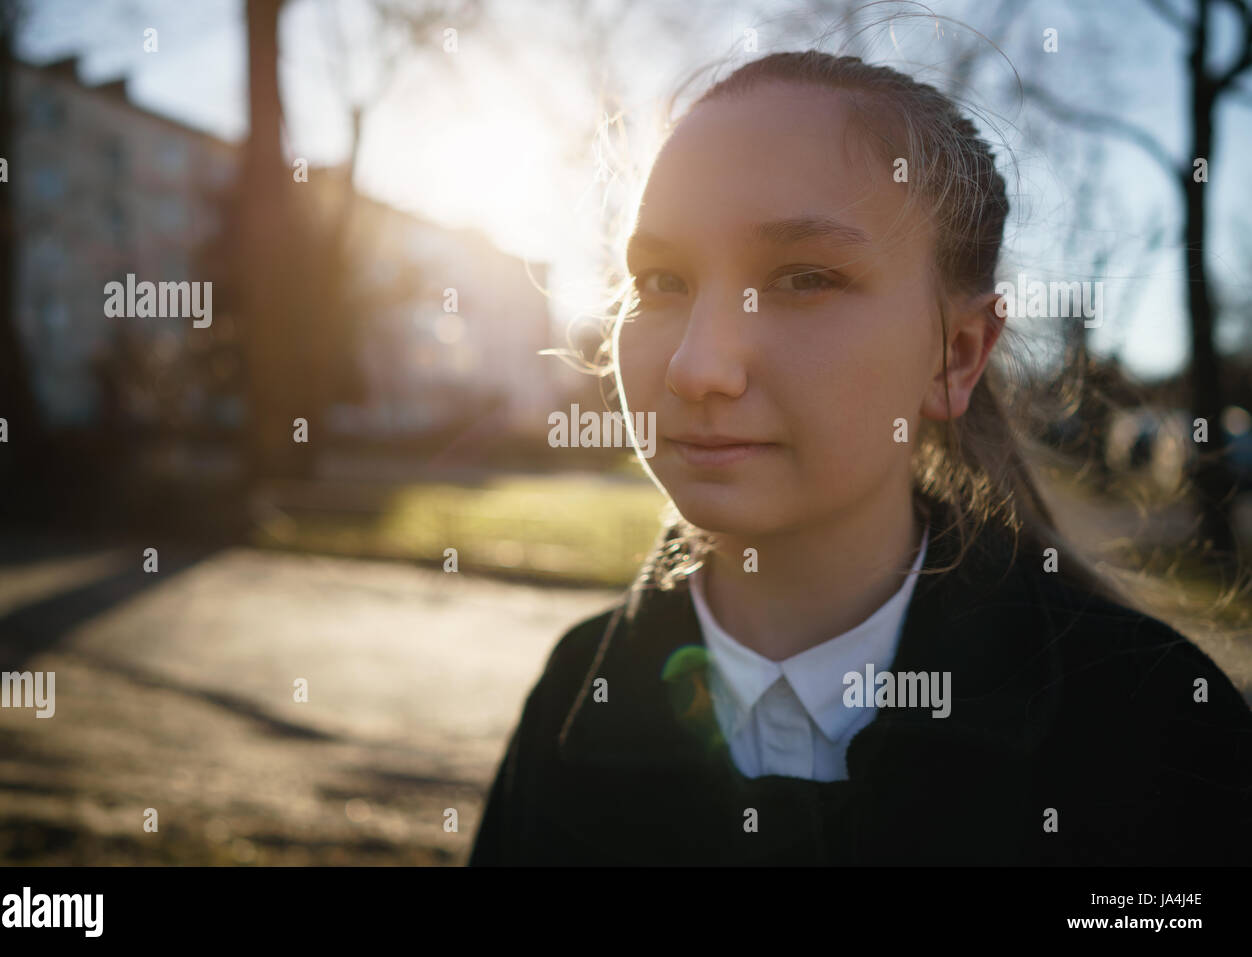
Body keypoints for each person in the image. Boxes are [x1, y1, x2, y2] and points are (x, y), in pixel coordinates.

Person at [468, 49, 1252, 866]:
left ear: (955, 354)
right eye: (661, 279)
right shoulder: (573, 699)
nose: (697, 367)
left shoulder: (1154, 731)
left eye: (804, 278)